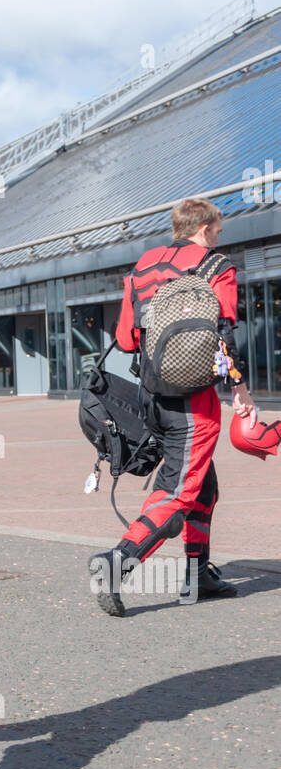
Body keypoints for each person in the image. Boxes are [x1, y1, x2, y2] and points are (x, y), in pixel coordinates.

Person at [90, 198, 255, 614]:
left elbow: (126, 339)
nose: (219, 238)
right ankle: (117, 562)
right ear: (203, 229)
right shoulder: (217, 267)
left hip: (151, 398)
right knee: (178, 491)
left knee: (204, 487)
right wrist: (240, 391)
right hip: (193, 402)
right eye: (217, 232)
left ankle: (197, 576)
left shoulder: (143, 265)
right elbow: (225, 335)